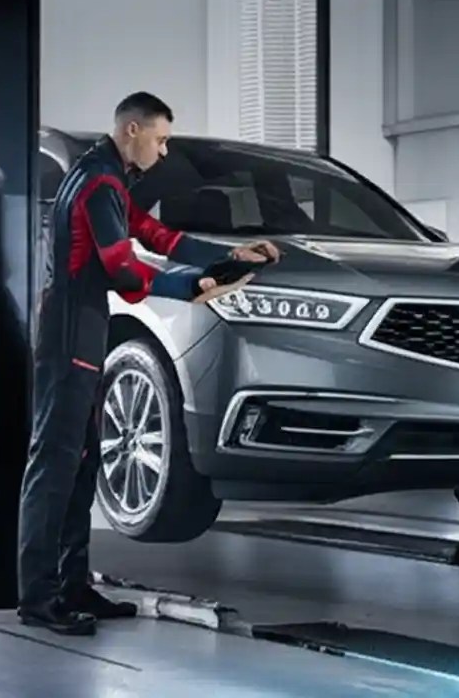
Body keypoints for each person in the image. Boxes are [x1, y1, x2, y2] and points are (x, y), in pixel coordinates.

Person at [17, 92, 279, 635]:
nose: (163, 153)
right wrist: (192, 286)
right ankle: (38, 598)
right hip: (71, 335)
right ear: (132, 129)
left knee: (82, 462)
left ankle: (72, 584)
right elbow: (123, 269)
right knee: (55, 465)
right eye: (159, 140)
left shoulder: (106, 177)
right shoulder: (98, 182)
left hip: (84, 333)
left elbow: (153, 234)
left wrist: (227, 257)